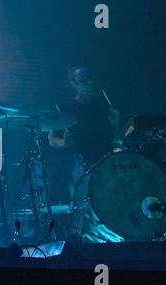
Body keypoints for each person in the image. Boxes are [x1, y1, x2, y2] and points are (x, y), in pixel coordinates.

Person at [46, 65, 119, 204]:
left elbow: (115, 140)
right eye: (84, 80)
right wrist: (64, 143)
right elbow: (51, 139)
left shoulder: (104, 108)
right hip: (79, 170)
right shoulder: (65, 109)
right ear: (74, 84)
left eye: (91, 79)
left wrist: (115, 124)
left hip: (105, 166)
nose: (90, 83)